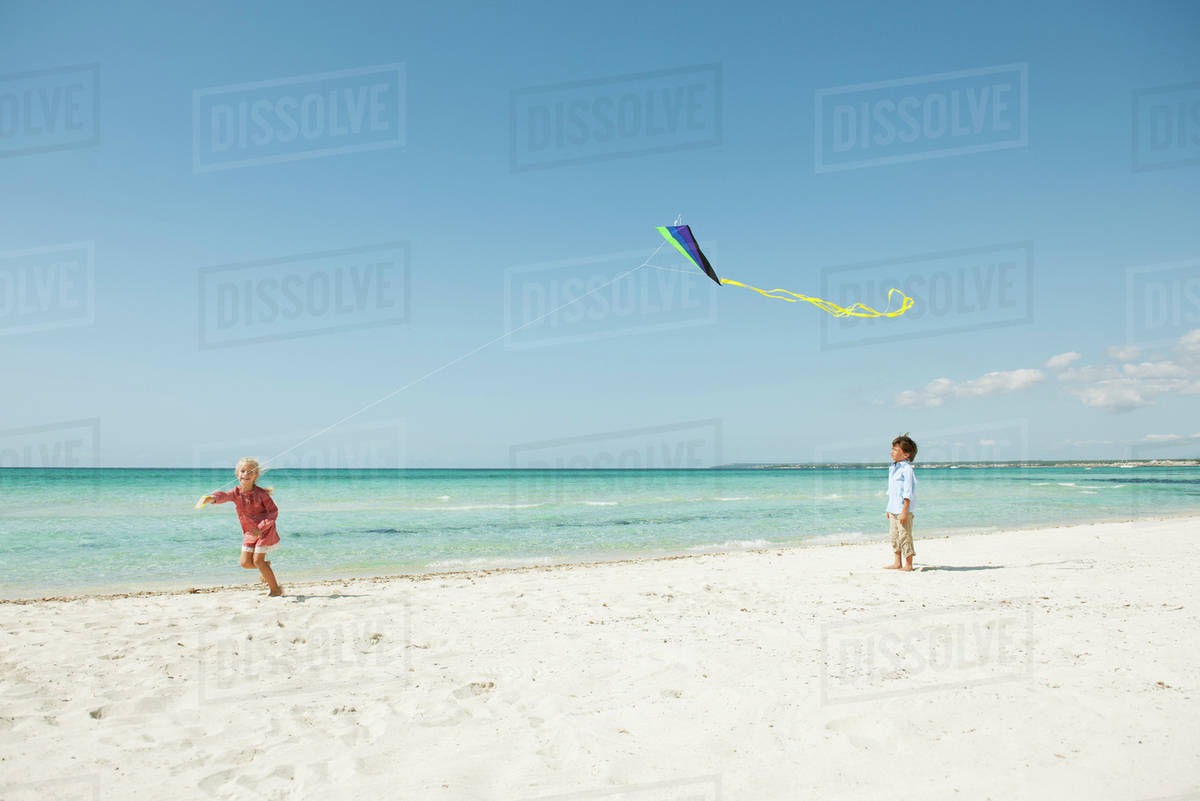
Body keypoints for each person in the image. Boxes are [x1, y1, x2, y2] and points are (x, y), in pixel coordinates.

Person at [201, 457, 283, 596]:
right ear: (237, 474)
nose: (246, 474)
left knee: (257, 560)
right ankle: (265, 566)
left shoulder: (261, 494)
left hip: (264, 531)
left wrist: (262, 527)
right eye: (243, 471)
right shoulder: (235, 492)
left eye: (250, 471)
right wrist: (212, 498)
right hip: (249, 532)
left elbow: (273, 512)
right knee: (245, 563)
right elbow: (224, 496)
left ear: (255, 476)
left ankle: (275, 590)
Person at [883, 433, 917, 572]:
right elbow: (892, 491)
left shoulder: (906, 469)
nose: (892, 452)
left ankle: (908, 564)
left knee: (905, 536)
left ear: (906, 454)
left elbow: (908, 492)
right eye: (892, 449)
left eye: (896, 450)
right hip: (893, 508)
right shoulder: (893, 468)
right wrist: (888, 508)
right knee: (894, 536)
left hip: (903, 510)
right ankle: (897, 562)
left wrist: (904, 511)